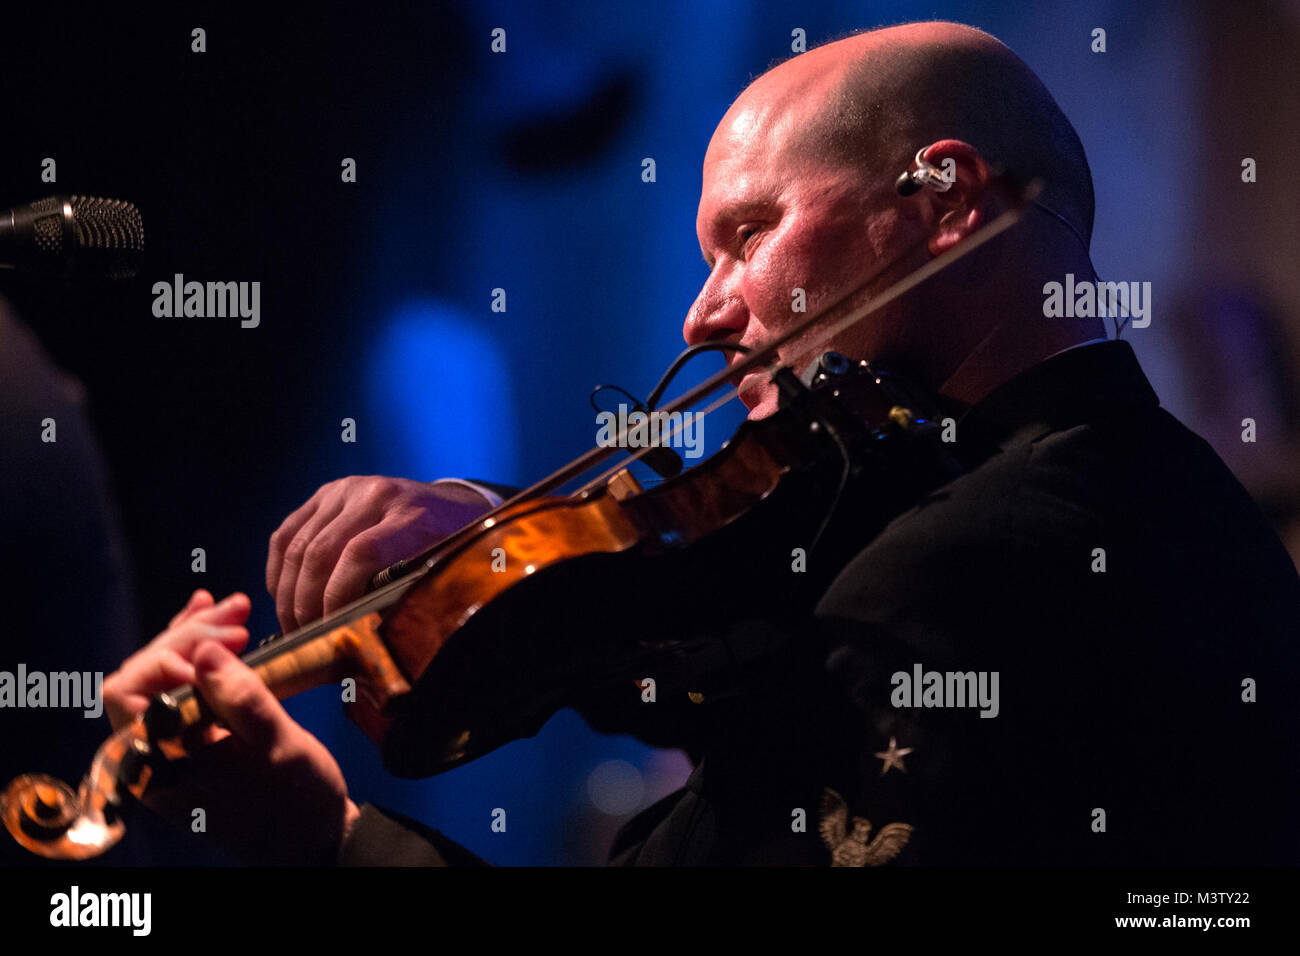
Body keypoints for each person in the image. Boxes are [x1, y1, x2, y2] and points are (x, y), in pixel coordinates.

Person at [103, 21, 1300, 866]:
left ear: (942, 196)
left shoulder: (977, 559)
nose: (704, 311)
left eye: (747, 234)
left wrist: (321, 834)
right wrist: (503, 539)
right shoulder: (1149, 500)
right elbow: (711, 628)